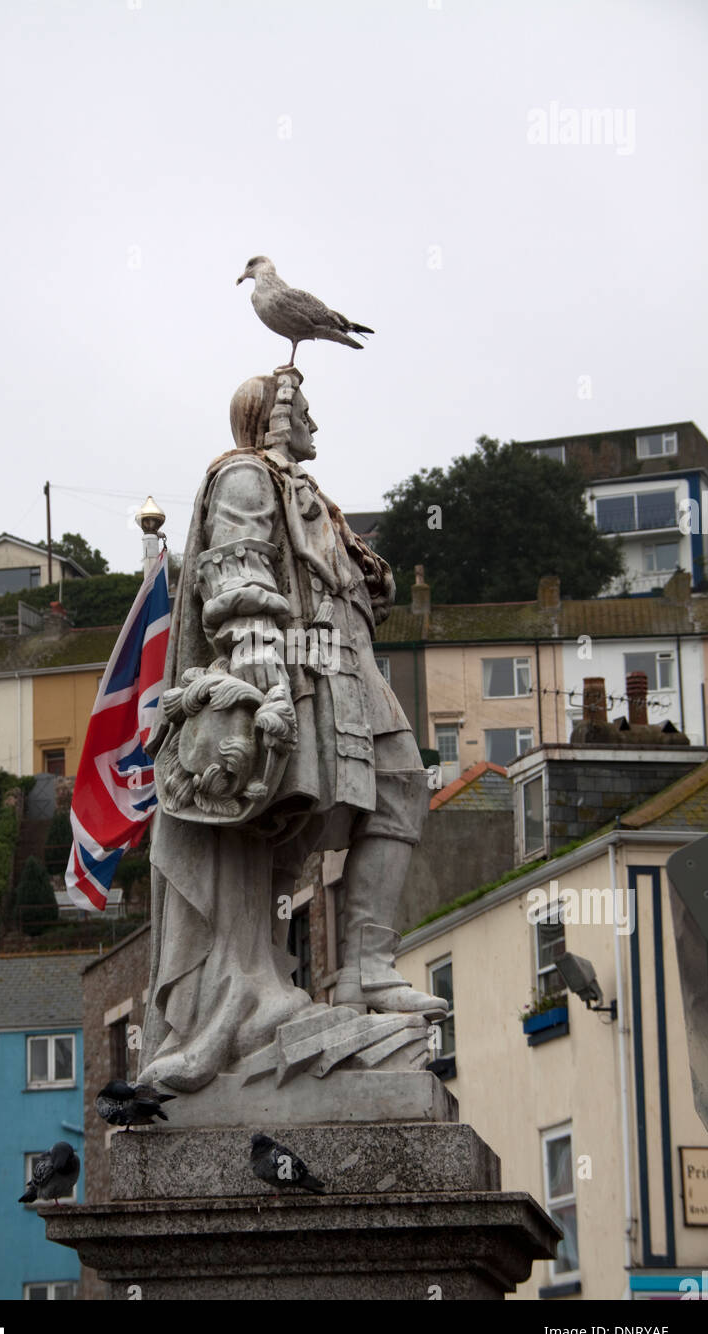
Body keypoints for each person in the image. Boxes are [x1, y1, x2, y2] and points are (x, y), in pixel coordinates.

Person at [138, 367, 444, 1092]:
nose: (314, 424)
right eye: (304, 410)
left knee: (400, 785)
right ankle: (250, 989)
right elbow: (235, 575)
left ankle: (366, 968)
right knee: (272, 823)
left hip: (347, 665)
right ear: (273, 416)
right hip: (301, 668)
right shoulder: (245, 476)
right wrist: (263, 680)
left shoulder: (308, 493)